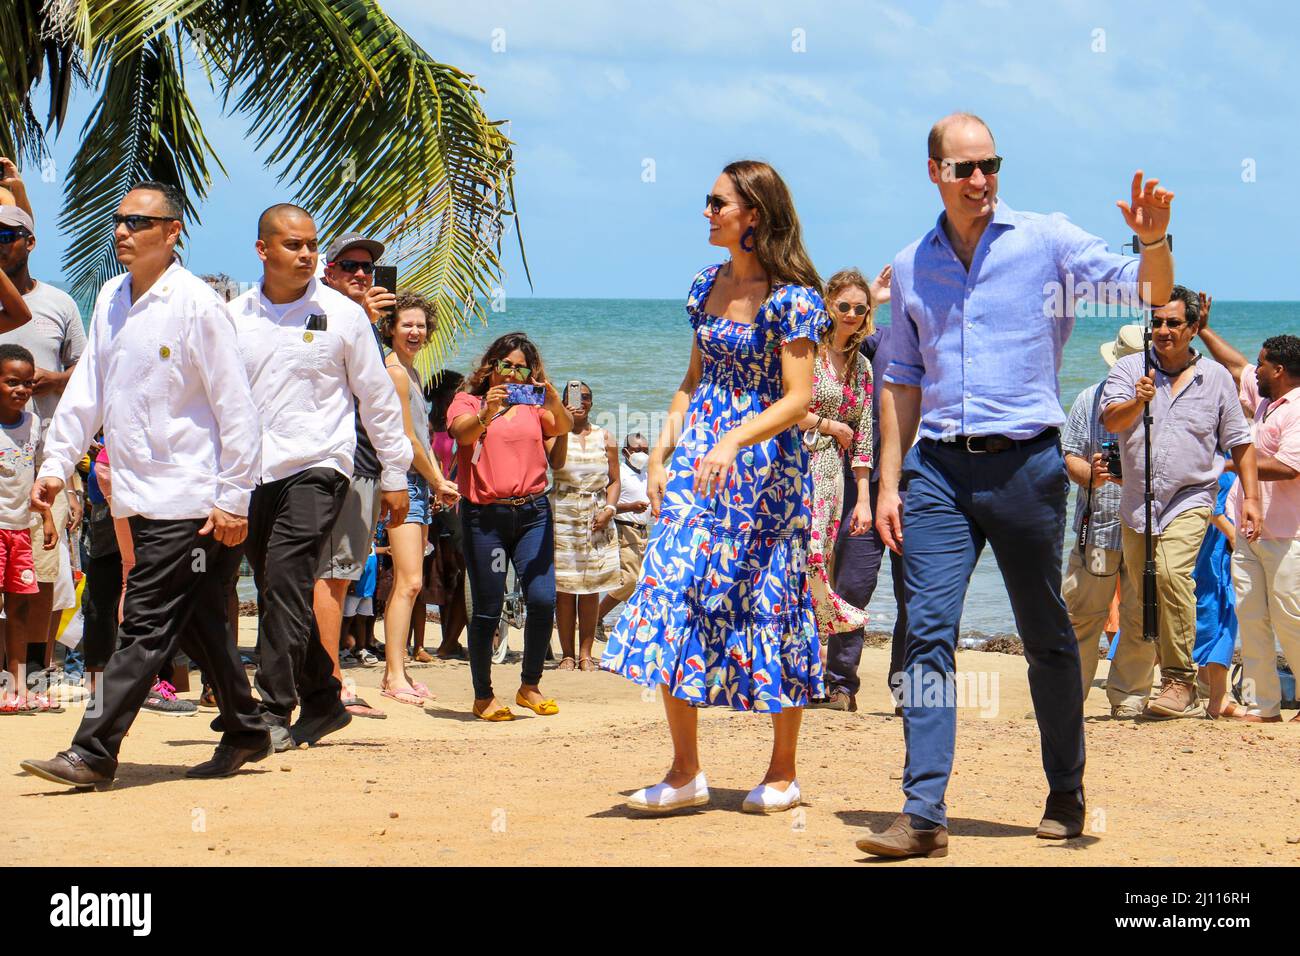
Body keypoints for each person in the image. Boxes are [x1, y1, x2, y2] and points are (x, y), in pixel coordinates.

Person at [860, 113, 1175, 859]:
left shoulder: (1048, 241)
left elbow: (1146, 289)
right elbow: (900, 381)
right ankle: (924, 811)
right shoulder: (911, 266)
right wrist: (886, 481)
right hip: (935, 469)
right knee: (926, 635)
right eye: (965, 168)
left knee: (1046, 636)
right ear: (934, 171)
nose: (981, 180)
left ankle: (1066, 788)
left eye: (991, 165)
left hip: (1028, 467)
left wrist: (1154, 241)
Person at [20, 180, 268, 789]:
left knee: (147, 620)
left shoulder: (198, 307)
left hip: (194, 496)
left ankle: (93, 750)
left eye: (139, 222)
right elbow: (86, 393)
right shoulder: (110, 298)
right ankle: (247, 726)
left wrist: (234, 496)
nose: (123, 232)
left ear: (172, 233)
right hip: (132, 493)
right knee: (199, 619)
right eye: (119, 220)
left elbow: (237, 409)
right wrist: (55, 468)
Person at [602, 159, 827, 815]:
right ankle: (684, 772)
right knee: (671, 592)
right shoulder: (704, 285)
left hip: (765, 475)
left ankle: (782, 772)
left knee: (768, 606)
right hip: (700, 469)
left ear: (752, 213)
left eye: (717, 202)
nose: (707, 212)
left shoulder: (794, 299)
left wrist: (734, 438)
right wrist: (664, 450)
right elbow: (692, 379)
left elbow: (797, 398)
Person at [229, 204, 412, 751]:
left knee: (286, 579)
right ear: (263, 250)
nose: (306, 253)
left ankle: (271, 707)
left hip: (321, 467)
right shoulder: (234, 315)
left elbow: (377, 400)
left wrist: (395, 474)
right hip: (254, 472)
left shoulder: (343, 314)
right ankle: (326, 701)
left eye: (312, 244)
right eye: (293, 244)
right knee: (275, 586)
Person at [1100, 285, 1259, 720]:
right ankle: (1134, 689)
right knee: (1141, 596)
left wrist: (1253, 500)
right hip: (1137, 501)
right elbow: (1110, 418)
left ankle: (1178, 681)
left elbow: (1241, 443)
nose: (1164, 330)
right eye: (1157, 322)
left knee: (1171, 573)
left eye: (1174, 322)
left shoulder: (1217, 379)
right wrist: (1138, 398)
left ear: (1193, 327)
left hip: (1192, 497)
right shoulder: (1131, 368)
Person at [446, 332, 573, 721]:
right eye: (507, 365)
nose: (514, 373)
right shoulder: (467, 401)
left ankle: (529, 686)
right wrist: (487, 412)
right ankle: (483, 695)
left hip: (533, 512)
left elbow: (561, 442)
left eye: (522, 367)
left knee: (542, 599)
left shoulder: (536, 408)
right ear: (492, 366)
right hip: (486, 516)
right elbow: (461, 433)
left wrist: (552, 399)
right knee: (487, 607)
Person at [815, 266, 909, 714]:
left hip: (924, 487)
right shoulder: (879, 341)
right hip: (866, 488)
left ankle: (910, 694)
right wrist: (869, 297)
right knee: (851, 586)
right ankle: (840, 685)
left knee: (918, 594)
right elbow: (832, 334)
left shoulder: (949, 345)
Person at [0, 196, 85, 683]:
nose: (2, 244)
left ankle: (39, 669)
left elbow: (88, 373)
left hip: (45, 451)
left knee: (46, 568)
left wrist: (50, 381)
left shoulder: (59, 303)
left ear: (31, 242)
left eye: (9, 235)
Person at [312, 232, 396, 716]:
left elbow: (385, 401)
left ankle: (322, 679)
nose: (361, 275)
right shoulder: (318, 313)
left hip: (362, 463)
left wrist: (394, 473)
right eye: (349, 266)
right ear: (329, 272)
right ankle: (331, 684)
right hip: (329, 464)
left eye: (368, 268)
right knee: (328, 577)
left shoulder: (366, 326)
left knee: (335, 576)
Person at [1060, 323, 1148, 717]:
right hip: (1098, 527)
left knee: (1140, 614)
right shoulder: (1087, 399)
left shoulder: (1164, 402)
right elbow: (1069, 457)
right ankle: (1066, 698)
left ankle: (1128, 697)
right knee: (1081, 613)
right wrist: (1092, 474)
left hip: (1148, 525)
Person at [377, 292, 459, 705]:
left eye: (421, 326)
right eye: (407, 324)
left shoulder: (411, 371)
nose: (415, 332)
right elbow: (406, 439)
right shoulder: (394, 372)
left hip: (418, 484)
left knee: (410, 583)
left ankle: (399, 670)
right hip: (404, 483)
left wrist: (434, 482)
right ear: (390, 327)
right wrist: (440, 480)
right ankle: (393, 677)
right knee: (408, 582)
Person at [1224, 336, 1300, 723]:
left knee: (1292, 619)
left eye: (1262, 364)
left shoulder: (1298, 409)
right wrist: (1202, 330)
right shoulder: (1268, 402)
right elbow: (1235, 365)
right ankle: (1264, 706)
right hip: (1247, 531)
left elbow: (1289, 468)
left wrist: (1232, 466)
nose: (1255, 370)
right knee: (1252, 620)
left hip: (1288, 535)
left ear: (1280, 370)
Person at [799, 268, 874, 643]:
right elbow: (783, 408)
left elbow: (863, 438)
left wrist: (864, 501)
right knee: (802, 558)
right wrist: (829, 426)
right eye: (842, 305)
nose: (849, 314)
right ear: (828, 304)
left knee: (820, 558)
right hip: (794, 466)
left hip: (832, 477)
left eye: (858, 308)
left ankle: (806, 656)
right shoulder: (807, 351)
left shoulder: (862, 367)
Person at [0, 345, 55, 713]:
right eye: (11, 382)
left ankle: (17, 687)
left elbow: (38, 475)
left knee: (20, 608)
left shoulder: (34, 425)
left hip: (21, 530)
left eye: (27, 384)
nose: (20, 390)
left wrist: (47, 517)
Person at [550, 381, 620, 671]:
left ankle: (586, 652)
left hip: (596, 515)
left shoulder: (605, 437)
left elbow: (614, 480)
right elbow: (555, 464)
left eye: (586, 397)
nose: (581, 403)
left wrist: (610, 509)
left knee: (591, 588)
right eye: (574, 398)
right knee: (564, 588)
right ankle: (566, 653)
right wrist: (564, 422)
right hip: (562, 514)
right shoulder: (554, 434)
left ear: (592, 402)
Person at [425, 370, 468, 660]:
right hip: (435, 503)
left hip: (460, 503)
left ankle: (450, 640)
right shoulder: (427, 424)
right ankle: (447, 640)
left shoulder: (461, 423)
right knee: (444, 574)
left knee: (466, 573)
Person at [1192, 461, 1238, 718]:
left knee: (1217, 615)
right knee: (1218, 615)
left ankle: (1214, 694)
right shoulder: (1225, 448)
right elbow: (1213, 506)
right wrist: (1234, 535)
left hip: (1212, 545)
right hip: (1214, 546)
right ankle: (1216, 698)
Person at [596, 433, 652, 639]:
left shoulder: (645, 475)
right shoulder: (620, 475)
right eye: (638, 450)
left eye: (646, 450)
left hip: (643, 532)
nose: (643, 454)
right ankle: (597, 617)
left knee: (642, 582)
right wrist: (630, 507)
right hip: (623, 530)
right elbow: (604, 505)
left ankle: (633, 625)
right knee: (629, 581)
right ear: (626, 452)